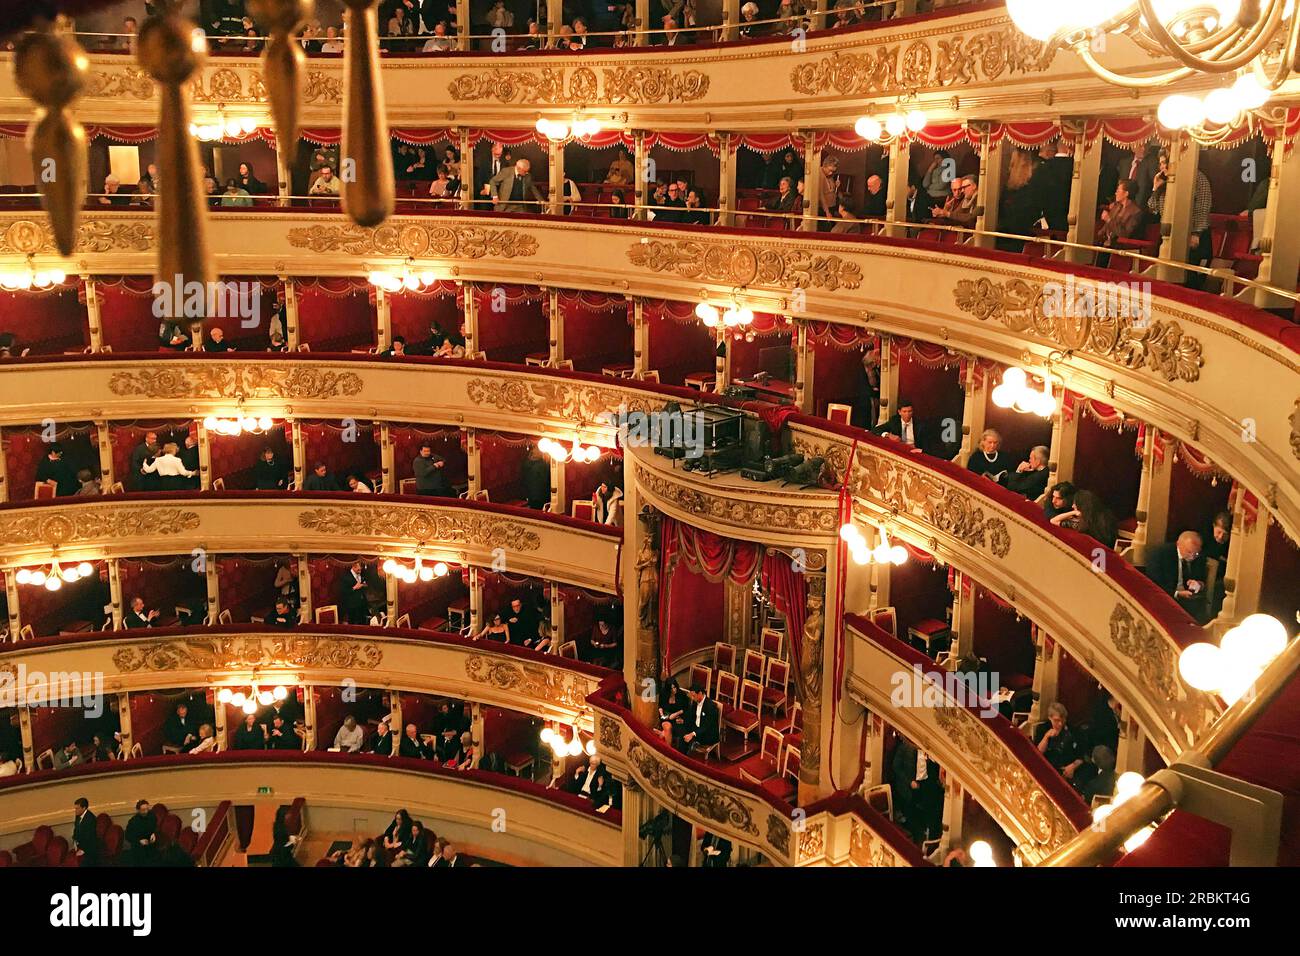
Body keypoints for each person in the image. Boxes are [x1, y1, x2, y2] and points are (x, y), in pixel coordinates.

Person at [1145, 530, 1210, 622]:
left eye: (1195, 554)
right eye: (1189, 552)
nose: (1192, 557)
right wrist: (1177, 593)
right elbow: (1154, 584)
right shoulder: (1160, 554)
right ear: (1178, 544)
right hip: (1166, 597)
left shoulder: (1198, 557)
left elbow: (1202, 579)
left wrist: (1198, 584)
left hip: (1189, 599)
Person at [1035, 702, 1084, 782]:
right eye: (1056, 720)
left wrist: (1073, 766)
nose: (1060, 724)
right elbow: (1038, 753)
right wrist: (1046, 737)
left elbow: (1081, 756)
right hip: (1048, 770)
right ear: (1050, 718)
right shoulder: (1042, 729)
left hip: (1068, 769)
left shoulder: (1073, 731)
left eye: (1063, 720)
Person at [1051, 489, 1118, 548]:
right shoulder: (1107, 516)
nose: (1072, 506)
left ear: (1082, 506)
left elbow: (1053, 521)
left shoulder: (1081, 524)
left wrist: (1073, 512)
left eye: (1075, 504)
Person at [680, 688, 719, 754]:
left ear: (700, 693)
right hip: (697, 728)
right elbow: (691, 716)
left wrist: (693, 734)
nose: (692, 698)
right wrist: (683, 720)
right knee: (682, 731)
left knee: (686, 738)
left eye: (693, 696)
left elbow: (707, 726)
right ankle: (681, 755)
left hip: (708, 733)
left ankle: (684, 757)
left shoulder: (711, 706)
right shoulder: (696, 702)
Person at [124, 799, 158, 865]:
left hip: (152, 846)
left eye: (147, 809)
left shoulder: (152, 816)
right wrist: (139, 841)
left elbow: (156, 828)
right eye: (143, 810)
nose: (146, 811)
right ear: (138, 810)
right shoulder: (133, 821)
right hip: (139, 849)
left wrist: (154, 834)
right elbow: (128, 836)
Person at [521, 444, 550, 510]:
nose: (533, 451)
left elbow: (544, 480)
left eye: (535, 448)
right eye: (533, 448)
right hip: (532, 492)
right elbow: (525, 475)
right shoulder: (529, 463)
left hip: (540, 494)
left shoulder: (544, 464)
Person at [72, 798, 99, 866]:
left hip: (90, 850)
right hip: (80, 845)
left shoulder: (91, 819)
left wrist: (83, 850)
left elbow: (91, 838)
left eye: (77, 808)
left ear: (84, 808)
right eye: (75, 808)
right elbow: (76, 829)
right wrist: (74, 840)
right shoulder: (78, 816)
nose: (75, 811)